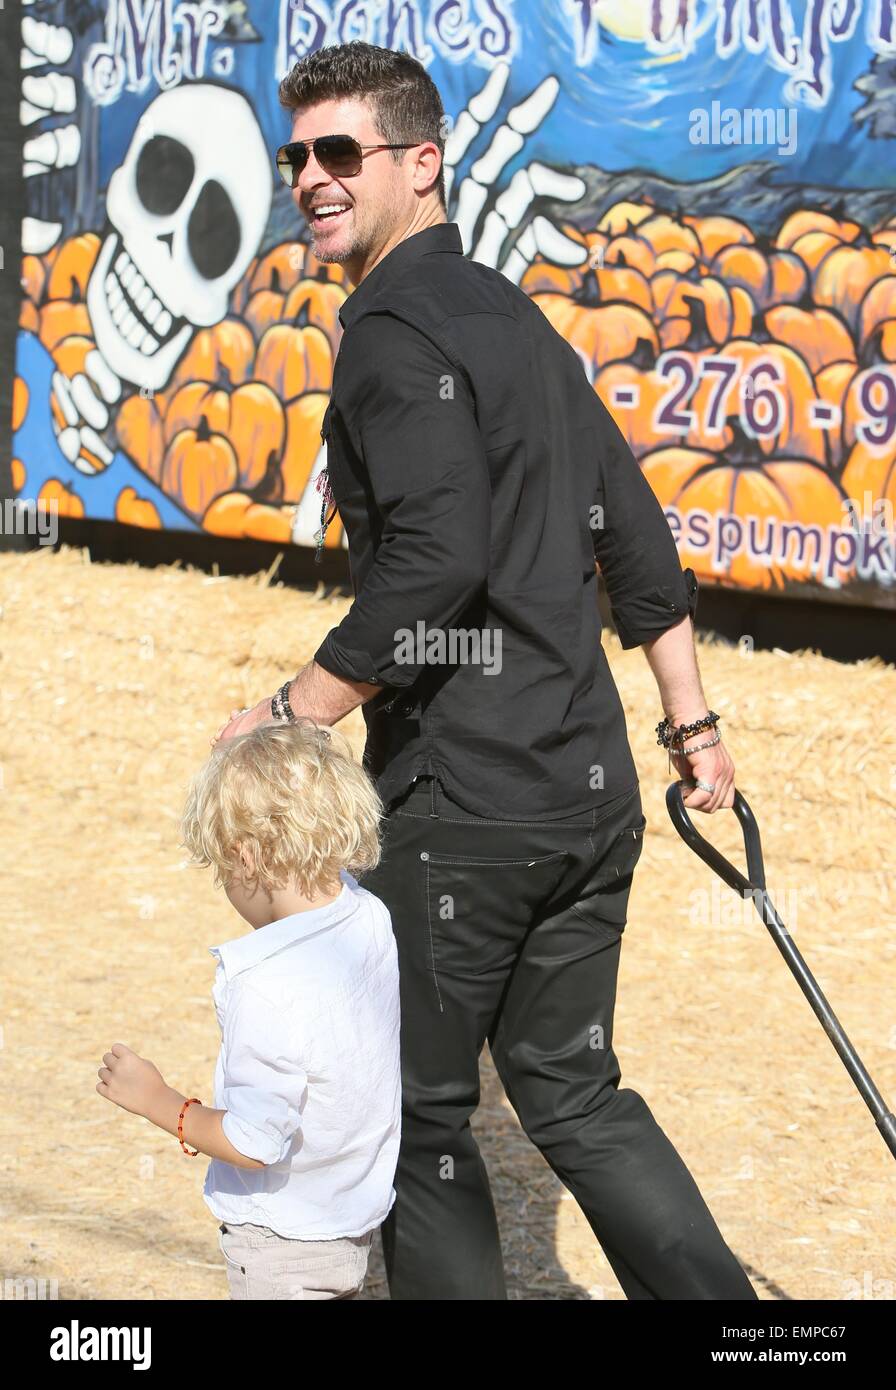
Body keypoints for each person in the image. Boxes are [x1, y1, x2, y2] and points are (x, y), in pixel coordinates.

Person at [216, 40, 757, 1301]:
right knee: (572, 1090)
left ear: (421, 162)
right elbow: (638, 540)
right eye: (295, 154)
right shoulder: (516, 320)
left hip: (466, 807)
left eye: (338, 151)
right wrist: (692, 730)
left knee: (418, 1115)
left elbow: (436, 560)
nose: (309, 176)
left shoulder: (388, 331)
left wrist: (296, 708)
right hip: (585, 797)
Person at [97, 719, 400, 1300]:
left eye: (222, 869)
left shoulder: (265, 984)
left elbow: (255, 1142)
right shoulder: (368, 916)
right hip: (350, 1219)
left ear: (248, 858)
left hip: (279, 1242)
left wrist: (161, 1102)